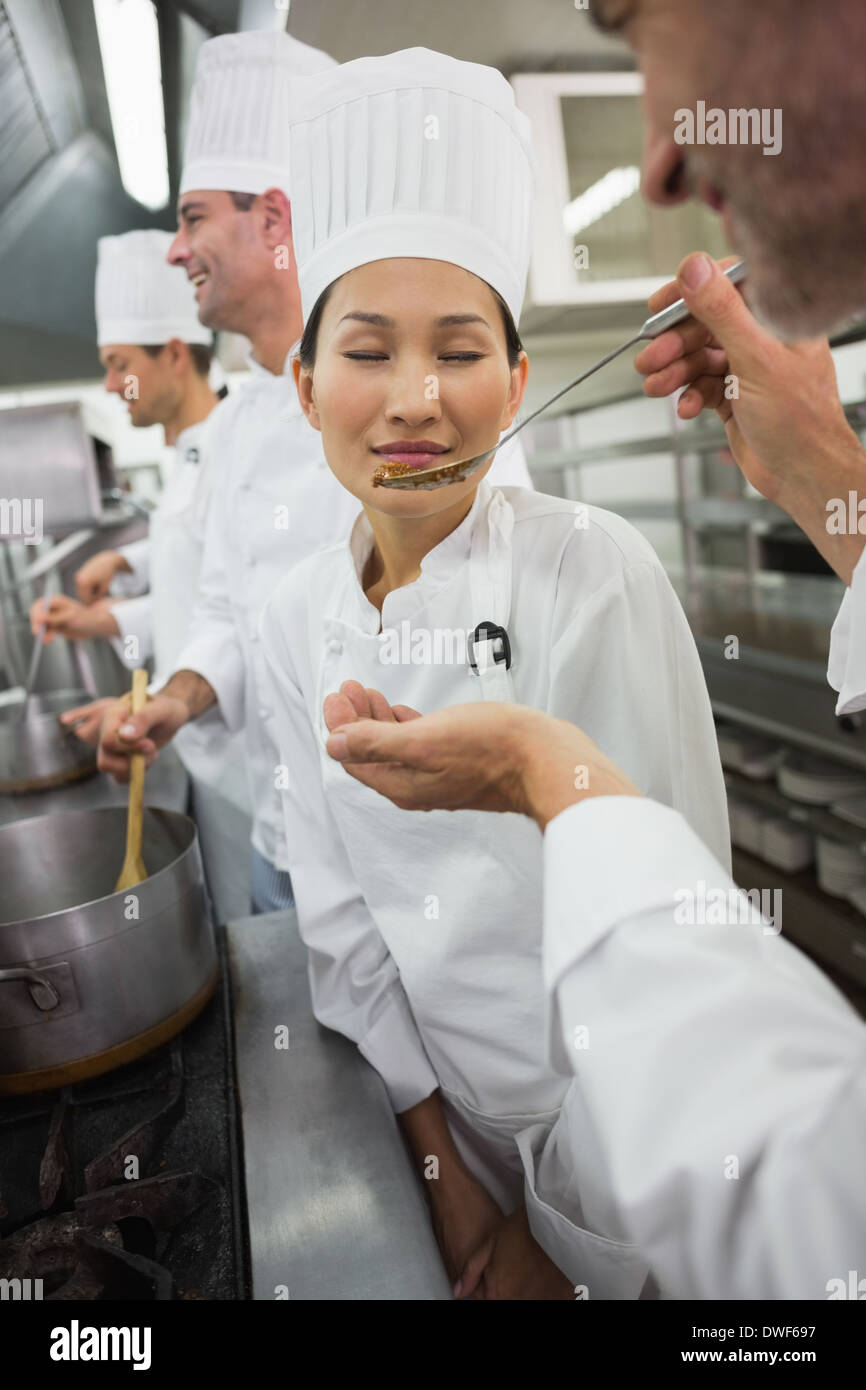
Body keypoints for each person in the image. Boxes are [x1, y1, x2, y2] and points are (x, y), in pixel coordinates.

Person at [258, 47, 730, 1300]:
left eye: (458, 351)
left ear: (515, 384)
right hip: (448, 1127)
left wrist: (563, 1243)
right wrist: (456, 1197)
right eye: (366, 352)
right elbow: (345, 928)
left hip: (631, 1160)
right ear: (305, 389)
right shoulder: (287, 620)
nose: (414, 399)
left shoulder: (593, 572)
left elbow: (664, 962)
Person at [96, 31, 536, 917]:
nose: (176, 251)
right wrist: (176, 701)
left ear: (273, 222)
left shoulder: (433, 430)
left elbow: (498, 640)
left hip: (415, 862)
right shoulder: (241, 425)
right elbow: (224, 604)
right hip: (280, 835)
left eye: (192, 218)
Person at [29, 229, 252, 923]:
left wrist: (154, 695)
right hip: (205, 747)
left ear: (176, 354)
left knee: (260, 935)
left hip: (246, 760)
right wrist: (119, 580)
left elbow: (235, 609)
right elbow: (192, 584)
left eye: (118, 363)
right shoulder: (190, 456)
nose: (107, 383)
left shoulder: (236, 449)